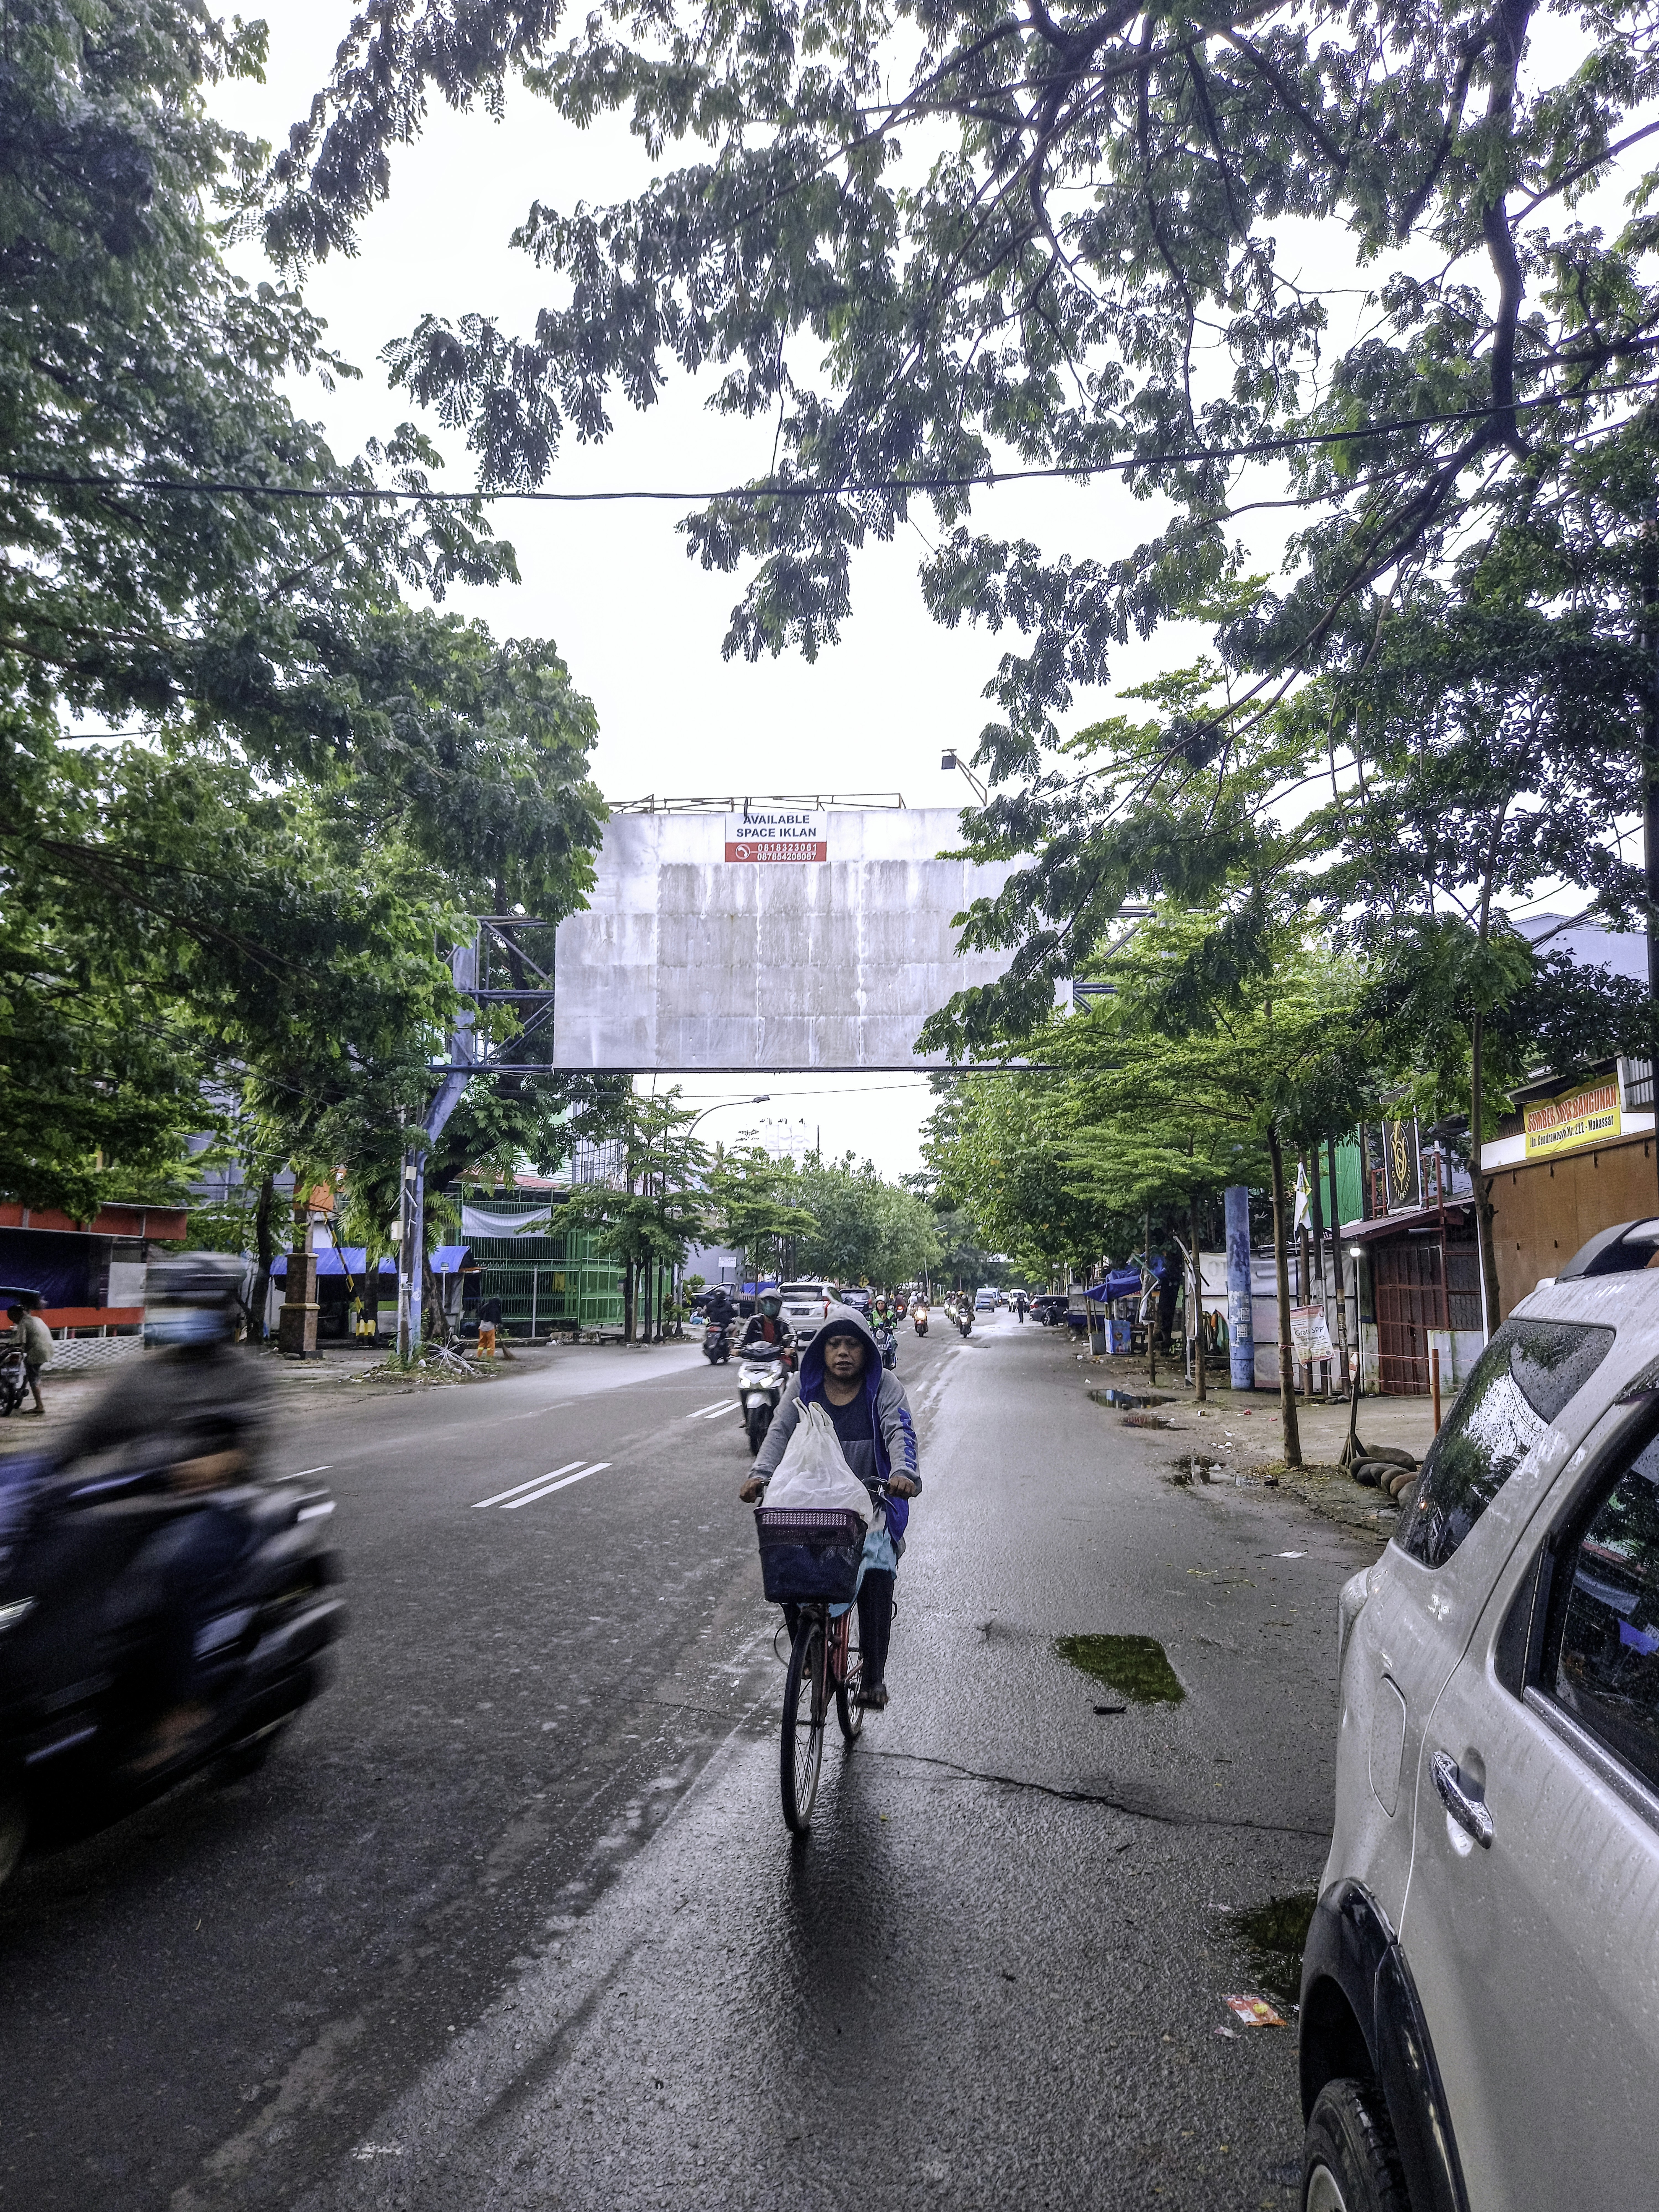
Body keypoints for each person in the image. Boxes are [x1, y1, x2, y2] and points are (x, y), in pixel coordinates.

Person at [58, 1253, 272, 1773]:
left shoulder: (244, 1376)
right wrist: (40, 1470)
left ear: (218, 1311)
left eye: (189, 1304)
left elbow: (251, 1439)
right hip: (135, 1509)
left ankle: (185, 1705)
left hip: (218, 1509)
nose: (178, 1312)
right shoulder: (140, 1377)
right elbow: (81, 1435)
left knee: (169, 1571)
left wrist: (221, 1461)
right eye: (170, 1303)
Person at [740, 1304, 919, 1708]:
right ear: (821, 1350)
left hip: (870, 1505)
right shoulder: (804, 1385)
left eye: (852, 1345)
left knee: (876, 1570)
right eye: (834, 1344)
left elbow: (900, 1431)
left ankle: (874, 1677)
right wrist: (759, 1474)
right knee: (783, 1556)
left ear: (866, 1352)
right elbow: (780, 1430)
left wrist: (904, 1472)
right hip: (813, 1501)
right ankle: (810, 1645)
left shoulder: (885, 1387)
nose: (843, 1353)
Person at [4, 1302, 53, 1415]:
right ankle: (23, 1389)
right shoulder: (36, 1319)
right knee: (31, 1371)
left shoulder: (23, 1323)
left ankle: (40, 1406)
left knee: (34, 1378)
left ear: (17, 1315)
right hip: (48, 1350)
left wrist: (7, 1347)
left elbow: (20, 1343)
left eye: (12, 1318)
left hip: (37, 1352)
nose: (13, 1321)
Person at [739, 1290, 796, 1364]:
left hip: (778, 1359)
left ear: (779, 1306)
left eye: (773, 1303)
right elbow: (743, 1337)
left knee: (785, 1371)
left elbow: (793, 1337)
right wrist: (737, 1349)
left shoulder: (785, 1324)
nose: (769, 1306)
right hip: (755, 1359)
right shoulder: (754, 1321)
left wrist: (790, 1348)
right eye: (766, 1303)